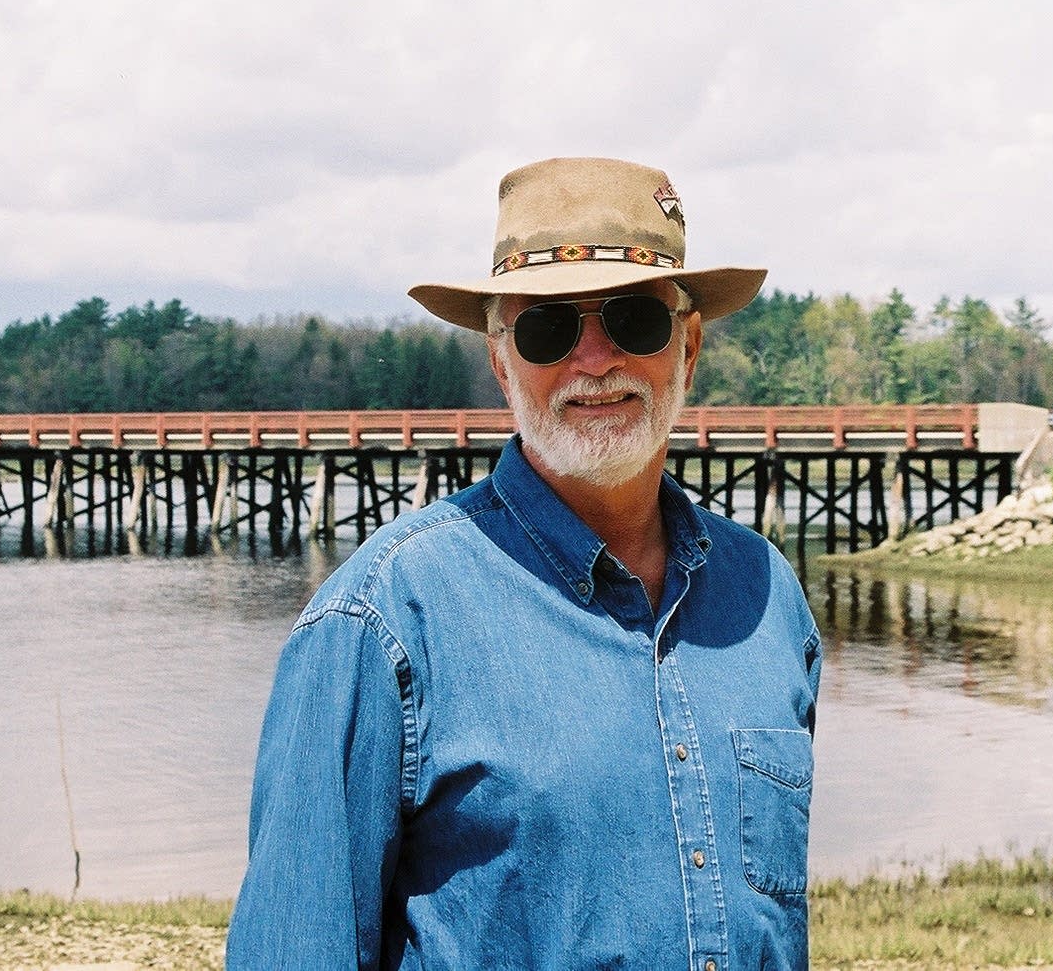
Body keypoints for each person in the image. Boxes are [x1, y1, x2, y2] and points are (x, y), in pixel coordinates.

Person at [226, 156, 821, 970]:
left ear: (688, 346)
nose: (595, 359)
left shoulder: (766, 596)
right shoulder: (380, 621)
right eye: (548, 327)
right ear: (501, 360)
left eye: (633, 320)